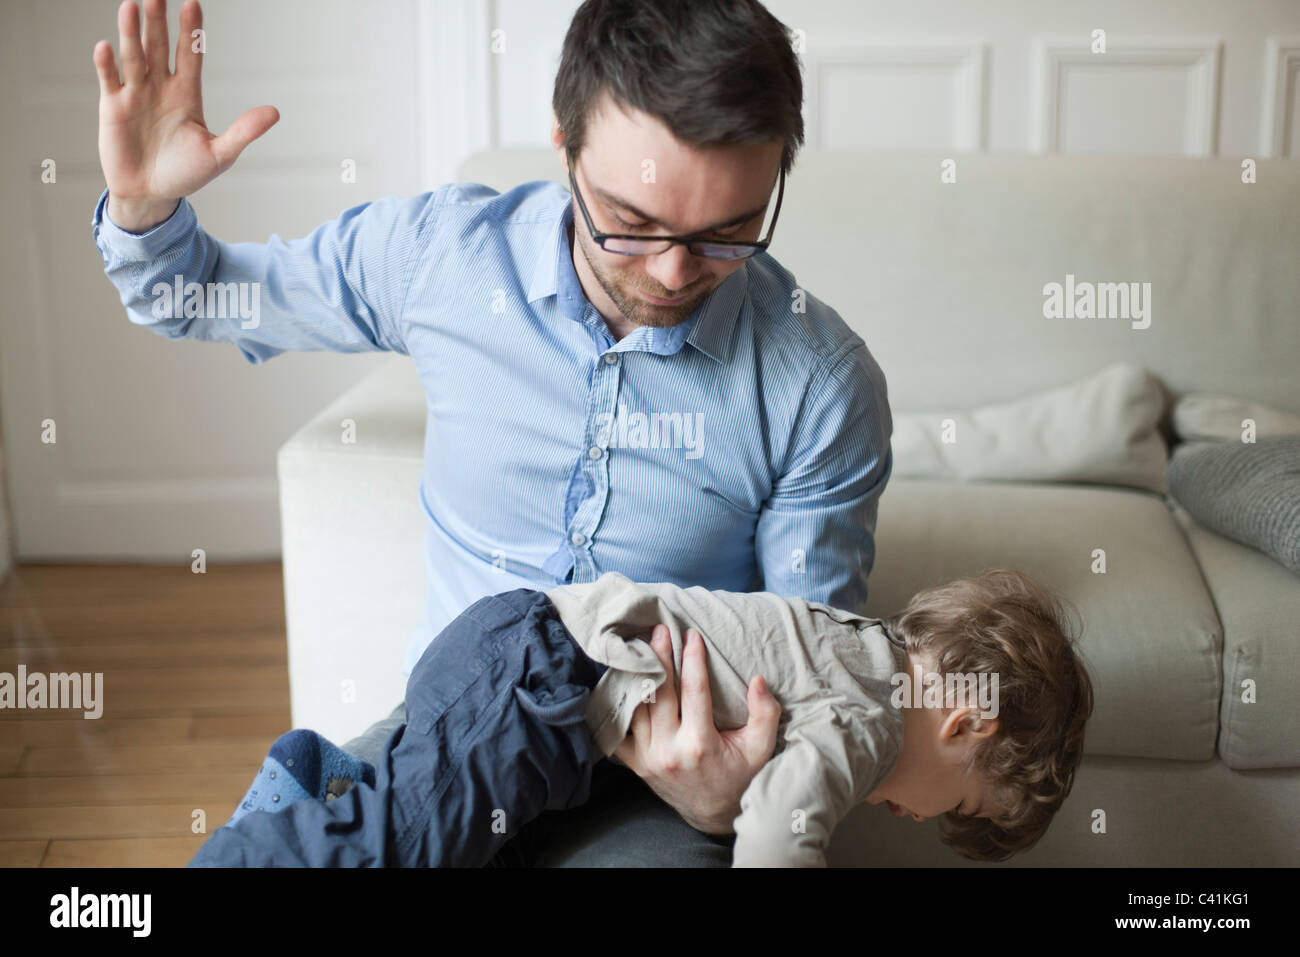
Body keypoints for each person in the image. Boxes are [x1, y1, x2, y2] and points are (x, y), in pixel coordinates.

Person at [91, 0, 892, 866]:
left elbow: (820, 670)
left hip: (657, 792)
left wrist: (724, 796)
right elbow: (203, 295)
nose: (670, 272)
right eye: (630, 221)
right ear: (564, 143)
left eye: (725, 234)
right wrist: (144, 211)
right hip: (446, 735)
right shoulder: (442, 257)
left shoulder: (824, 384)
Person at [187, 568, 1094, 867]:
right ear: (972, 720)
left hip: (518, 669)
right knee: (398, 846)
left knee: (426, 837)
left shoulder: (857, 648)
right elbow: (782, 826)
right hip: (534, 684)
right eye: (962, 807)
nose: (917, 816)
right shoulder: (870, 714)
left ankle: (315, 785)